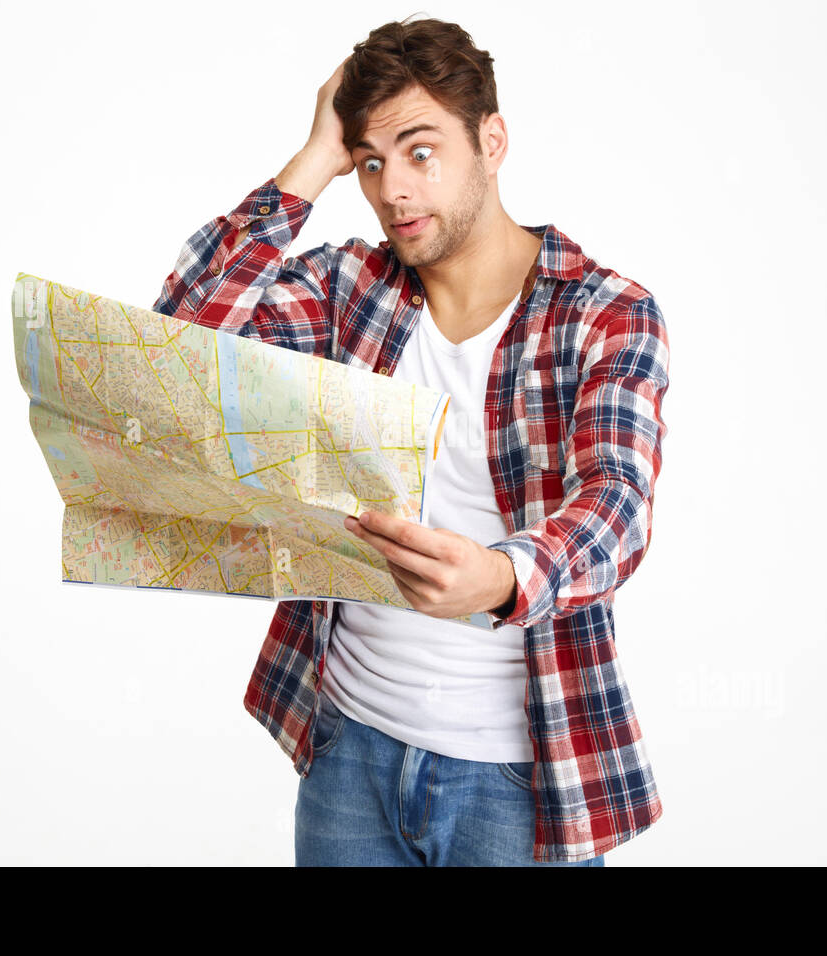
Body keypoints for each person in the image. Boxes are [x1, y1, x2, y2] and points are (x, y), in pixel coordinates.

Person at [153, 15, 670, 866]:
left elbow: (617, 503)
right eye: (371, 162)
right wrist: (315, 158)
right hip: (349, 751)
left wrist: (499, 578)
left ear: (491, 141)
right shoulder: (348, 288)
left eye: (420, 151)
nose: (394, 188)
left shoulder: (604, 312)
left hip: (517, 781)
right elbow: (174, 351)